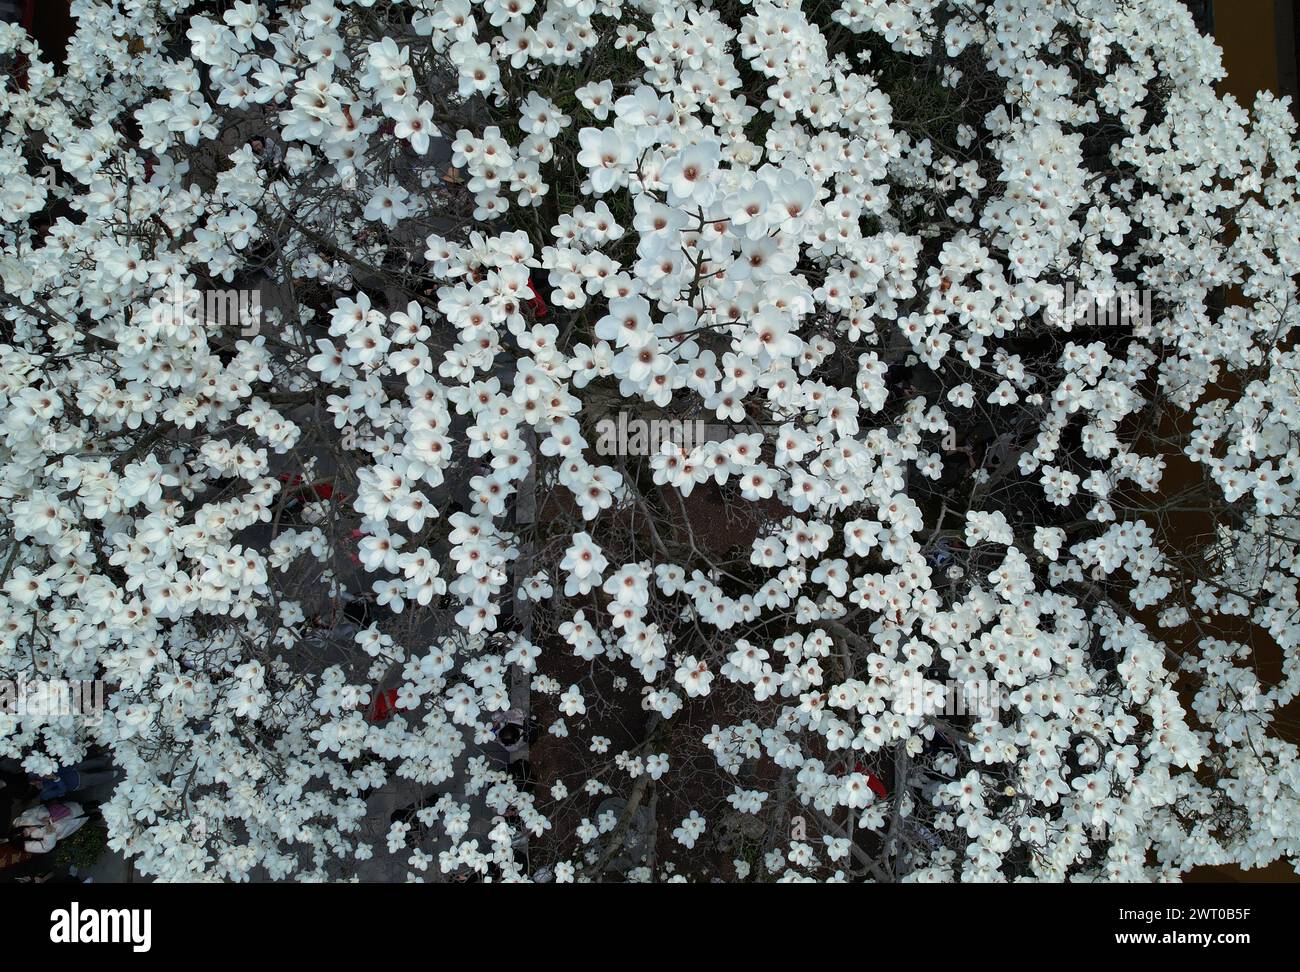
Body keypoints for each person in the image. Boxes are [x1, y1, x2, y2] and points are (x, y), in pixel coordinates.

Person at [14, 801, 88, 854]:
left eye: (22, 831)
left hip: (57, 813)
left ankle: (87, 805)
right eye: (23, 835)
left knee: (76, 808)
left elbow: (37, 810)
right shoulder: (27, 845)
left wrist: (44, 817)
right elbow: (46, 847)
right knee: (79, 821)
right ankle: (92, 816)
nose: (23, 832)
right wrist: (49, 832)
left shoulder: (21, 820)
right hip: (61, 829)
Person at [33, 756, 119, 801]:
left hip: (69, 769)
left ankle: (103, 760)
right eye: (36, 785)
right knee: (94, 778)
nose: (37, 782)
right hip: (75, 782)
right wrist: (55, 778)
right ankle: (110, 775)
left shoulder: (36, 777)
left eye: (34, 782)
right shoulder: (45, 794)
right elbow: (62, 790)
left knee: (88, 763)